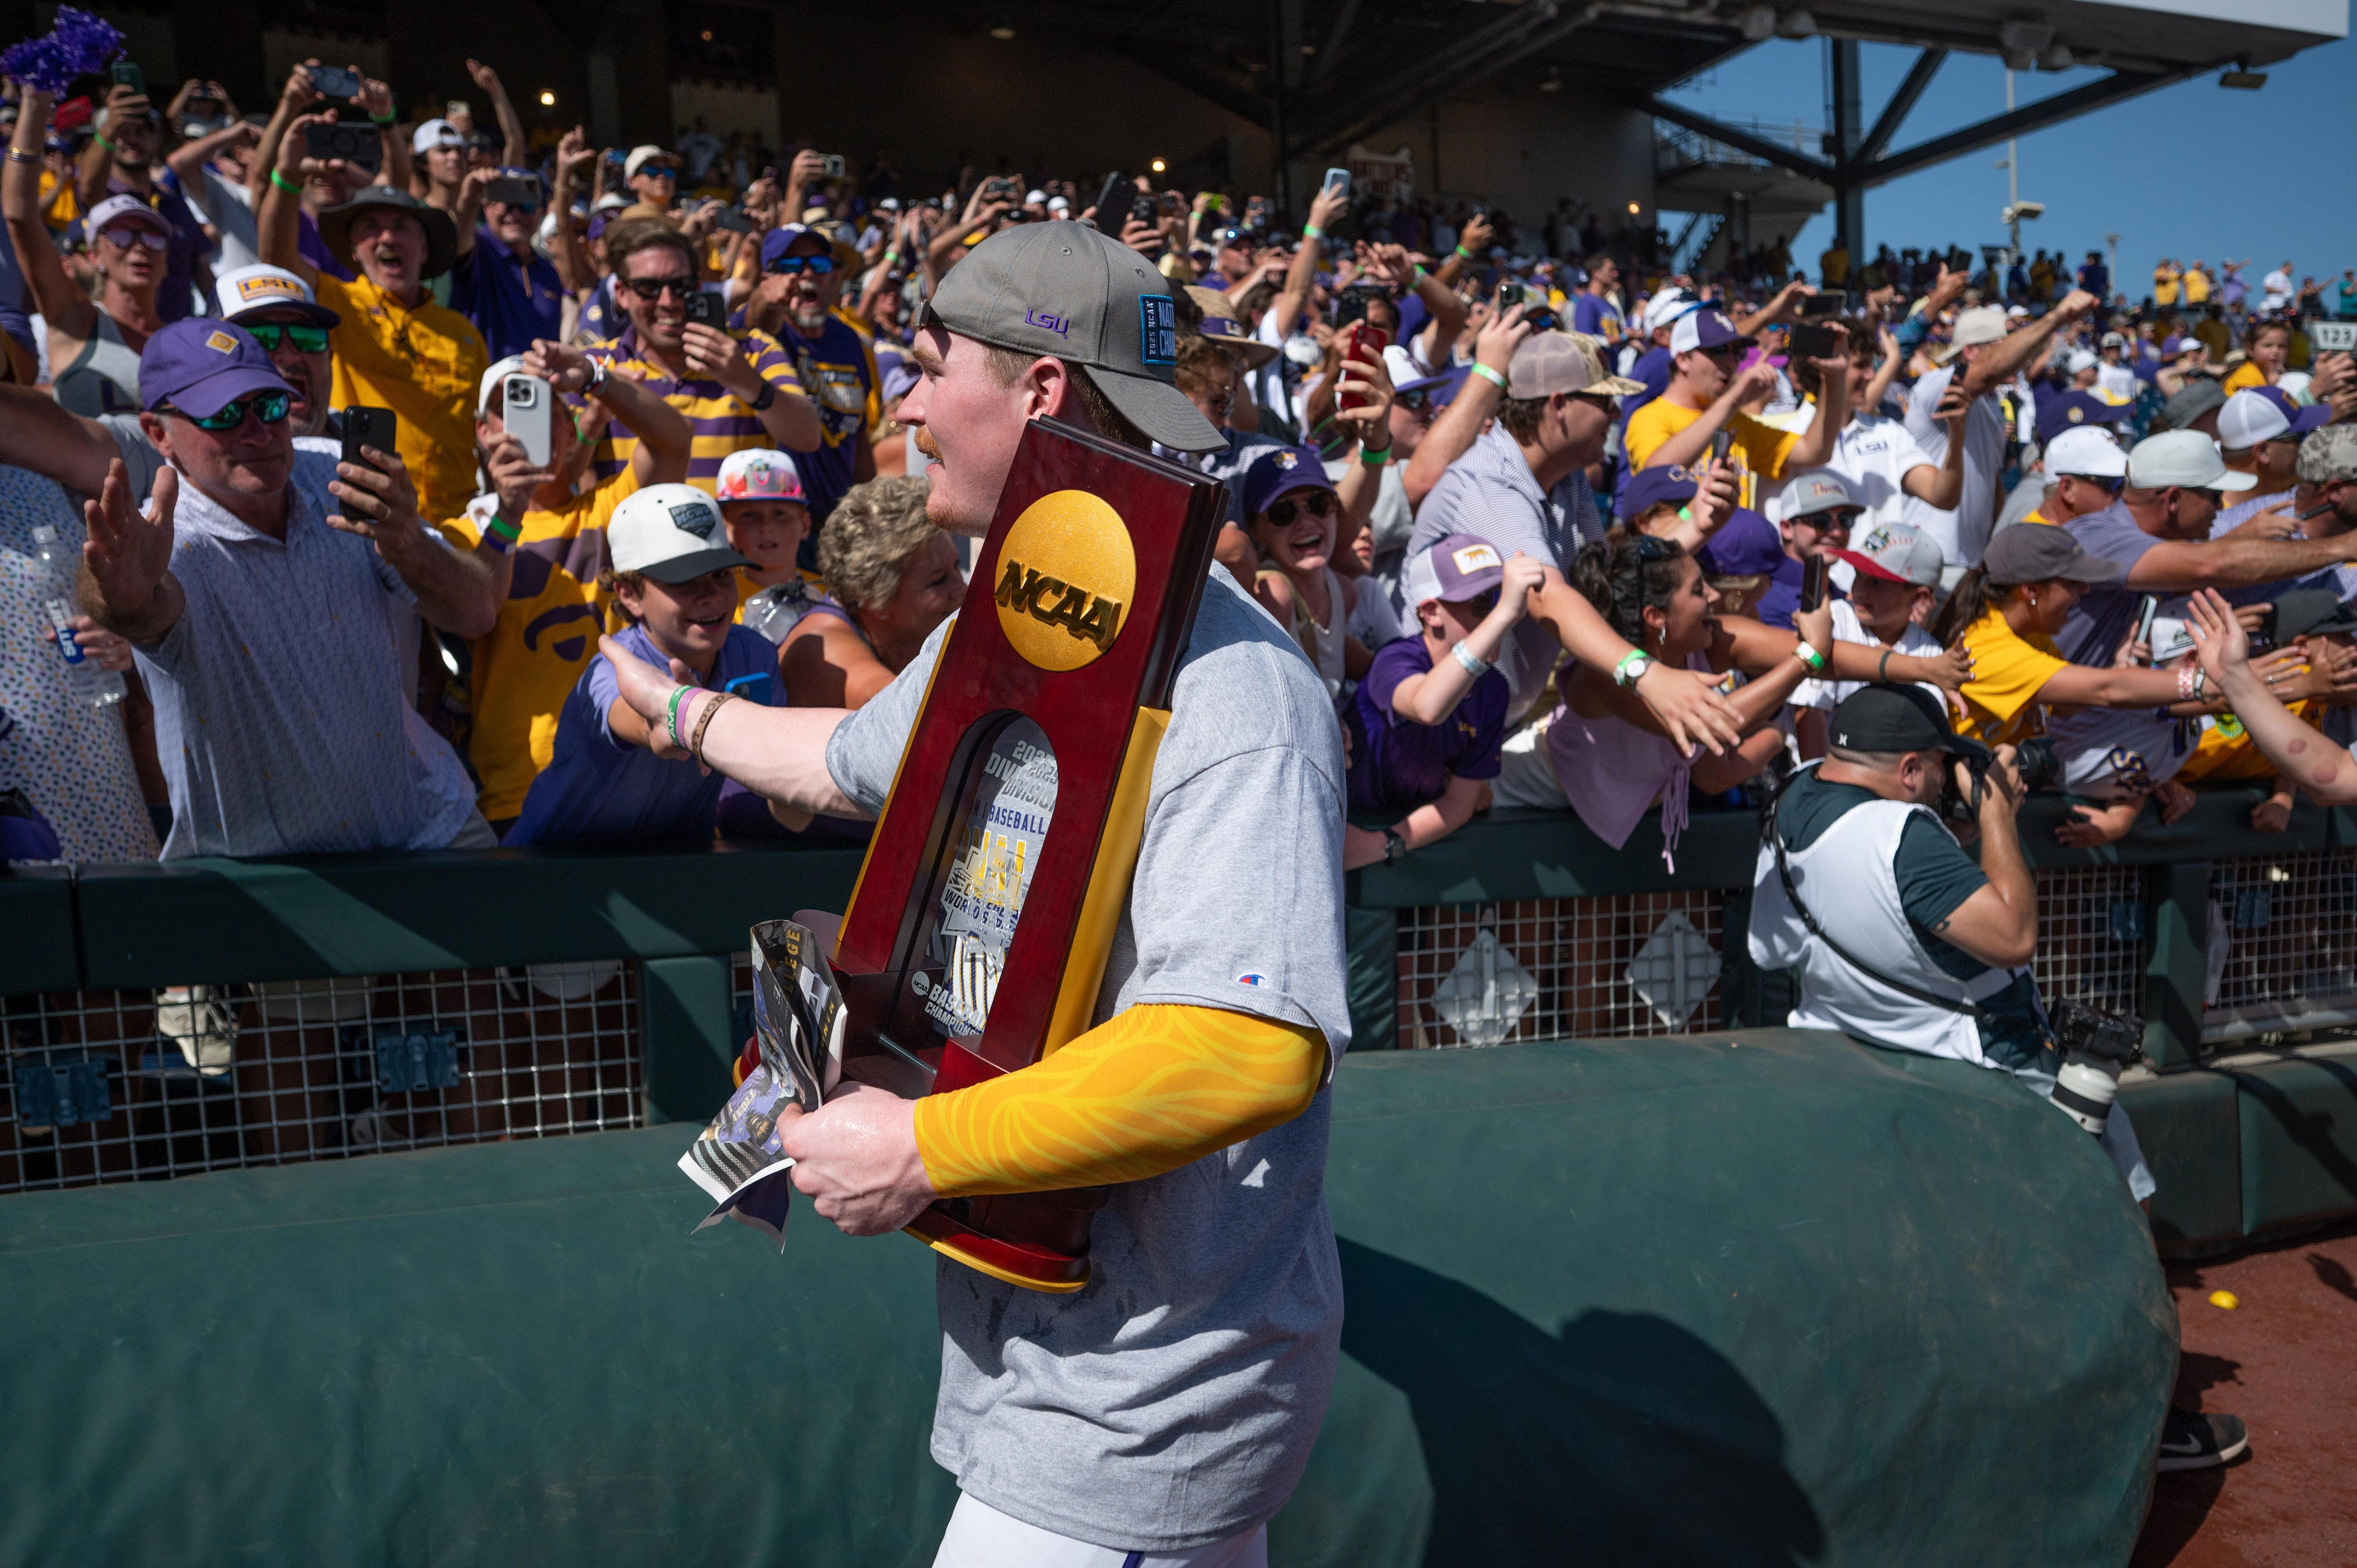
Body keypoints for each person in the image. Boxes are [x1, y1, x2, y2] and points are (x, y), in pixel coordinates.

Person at [592, 219, 1346, 1566]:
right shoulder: (1021, 601)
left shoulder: (1240, 686)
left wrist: (917, 1150)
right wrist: (667, 702)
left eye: (932, 365)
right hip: (1054, 1355)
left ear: (1039, 392)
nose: (908, 402)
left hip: (1142, 1389)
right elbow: (835, 762)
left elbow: (1245, 1047)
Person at [1746, 680, 2249, 1475]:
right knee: (2115, 1226)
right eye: (1940, 764)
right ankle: (2131, 1429)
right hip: (1980, 1063)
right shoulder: (1903, 833)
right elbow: (2011, 935)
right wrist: (1992, 813)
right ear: (1909, 766)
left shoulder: (1798, 790)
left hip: (1852, 1048)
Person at [73, 319, 498, 857]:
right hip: (273, 885)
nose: (258, 430)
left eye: (270, 405)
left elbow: (476, 612)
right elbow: (135, 604)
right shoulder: (166, 538)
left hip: (428, 830)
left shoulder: (334, 470)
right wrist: (116, 599)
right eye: (224, 414)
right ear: (158, 434)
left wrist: (410, 541)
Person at [1410, 329, 1749, 754]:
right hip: (1427, 734)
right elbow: (1546, 595)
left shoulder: (1568, 475)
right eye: (1604, 402)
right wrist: (1645, 674)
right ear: (1558, 405)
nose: (1613, 415)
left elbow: (1604, 584)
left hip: (1482, 728)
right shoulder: (1487, 480)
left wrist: (1698, 526)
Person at [449, 342, 694, 835]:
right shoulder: (460, 535)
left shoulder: (612, 508)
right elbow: (471, 615)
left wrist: (593, 377)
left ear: (568, 427)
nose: (530, 424)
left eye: (547, 408)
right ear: (483, 431)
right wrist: (509, 513)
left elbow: (673, 441)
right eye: (512, 410)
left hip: (626, 780)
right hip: (516, 789)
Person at [1489, 531, 1836, 869]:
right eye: (1700, 589)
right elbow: (1708, 736)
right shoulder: (1604, 675)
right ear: (1657, 616)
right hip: (1507, 793)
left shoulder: (1697, 643)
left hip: (1594, 816)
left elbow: (1844, 659)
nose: (1715, 597)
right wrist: (1803, 671)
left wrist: (1886, 663)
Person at [504, 484, 780, 845]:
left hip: (677, 872)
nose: (711, 594)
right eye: (684, 581)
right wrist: (669, 720)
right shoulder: (613, 668)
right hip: (551, 871)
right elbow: (635, 717)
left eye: (721, 574)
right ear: (629, 594)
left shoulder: (756, 654)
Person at [259, 124, 489, 528]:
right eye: (370, 228)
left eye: (401, 227)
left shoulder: (463, 333)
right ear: (353, 250)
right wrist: (286, 175)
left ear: (424, 246)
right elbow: (276, 257)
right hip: (369, 522)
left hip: (458, 526)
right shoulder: (339, 302)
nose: (387, 237)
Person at [2051, 429, 2357, 670]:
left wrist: (2235, 539)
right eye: (2214, 496)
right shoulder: (2101, 536)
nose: (2221, 506)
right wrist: (2342, 547)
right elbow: (2210, 566)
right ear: (2173, 500)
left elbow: (2190, 570)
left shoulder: (2137, 537)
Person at [1341, 535, 1538, 868]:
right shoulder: (1396, 660)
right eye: (1481, 604)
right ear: (1431, 612)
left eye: (1499, 599)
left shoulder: (1493, 690)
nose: (1494, 617)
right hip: (1347, 827)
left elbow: (1459, 804)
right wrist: (1504, 613)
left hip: (1400, 841)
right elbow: (1427, 706)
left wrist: (1386, 844)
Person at [583, 219, 823, 491]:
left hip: (727, 534)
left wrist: (746, 381)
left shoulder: (753, 351)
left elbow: (807, 436)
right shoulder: (598, 366)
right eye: (648, 288)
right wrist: (594, 416)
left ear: (698, 287)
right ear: (622, 294)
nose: (668, 302)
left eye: (680, 286)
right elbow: (560, 475)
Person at [1905, 292, 2098, 572]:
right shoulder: (1935, 385)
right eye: (2005, 343)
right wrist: (2056, 317)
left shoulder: (1994, 403)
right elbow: (1987, 371)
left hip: (1970, 562)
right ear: (1971, 352)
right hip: (1932, 559)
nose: (2020, 352)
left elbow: (1991, 481)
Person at [1624, 307, 1847, 509]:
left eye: (1737, 353)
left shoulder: (1735, 421)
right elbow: (1657, 475)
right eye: (1720, 351)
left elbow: (1815, 451)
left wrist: (1835, 377)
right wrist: (1732, 399)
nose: (1731, 363)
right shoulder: (1649, 418)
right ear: (1683, 359)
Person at [732, 224, 878, 528]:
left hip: (839, 523)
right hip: (775, 526)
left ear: (834, 277)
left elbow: (858, 436)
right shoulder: (760, 337)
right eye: (790, 266)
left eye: (820, 264)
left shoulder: (848, 341)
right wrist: (767, 300)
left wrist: (870, 506)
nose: (807, 274)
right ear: (766, 279)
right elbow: (758, 321)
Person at [779, 472, 963, 708]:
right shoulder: (825, 654)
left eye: (957, 567)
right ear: (875, 598)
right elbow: (907, 714)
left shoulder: (887, 628)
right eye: (938, 581)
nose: (963, 589)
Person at [1790, 519, 1951, 759]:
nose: (1861, 589)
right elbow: (1808, 712)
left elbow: (1927, 740)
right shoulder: (1832, 621)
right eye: (1859, 575)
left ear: (1918, 597)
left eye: (1877, 582)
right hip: (1823, 769)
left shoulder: (1929, 652)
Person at [1788, 317, 1964, 532]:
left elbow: (1942, 496)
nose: (1871, 375)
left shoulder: (1889, 432)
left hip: (1881, 566)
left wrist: (1957, 432)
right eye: (1860, 366)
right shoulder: (1788, 435)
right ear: (1824, 366)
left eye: (1871, 365)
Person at [448, 127, 593, 361]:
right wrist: (468, 199)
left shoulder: (547, 272)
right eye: (505, 204)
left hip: (537, 391)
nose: (516, 214)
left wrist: (564, 174)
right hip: (483, 392)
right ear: (486, 206)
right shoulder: (478, 252)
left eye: (526, 206)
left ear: (540, 212)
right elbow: (460, 239)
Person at [715, 448, 818, 645]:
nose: (767, 528)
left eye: (780, 514)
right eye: (749, 515)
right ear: (724, 526)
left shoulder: (829, 595)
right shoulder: (718, 603)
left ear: (805, 525)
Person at [2222, 320, 2288, 395]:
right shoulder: (2247, 377)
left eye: (2282, 346)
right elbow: (2253, 405)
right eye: (2268, 345)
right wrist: (2270, 387)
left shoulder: (2267, 374)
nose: (2276, 351)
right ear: (2250, 349)